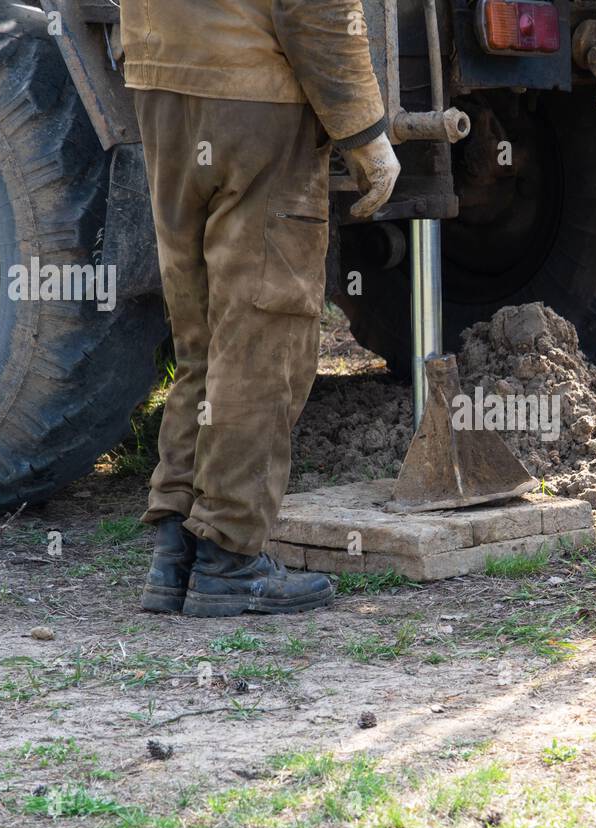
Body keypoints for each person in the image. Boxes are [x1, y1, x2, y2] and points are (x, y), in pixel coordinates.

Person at [121, 0, 400, 616]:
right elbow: (320, 7)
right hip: (255, 97)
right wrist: (364, 128)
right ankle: (229, 555)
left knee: (205, 333)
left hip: (161, 82)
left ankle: (177, 550)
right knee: (261, 335)